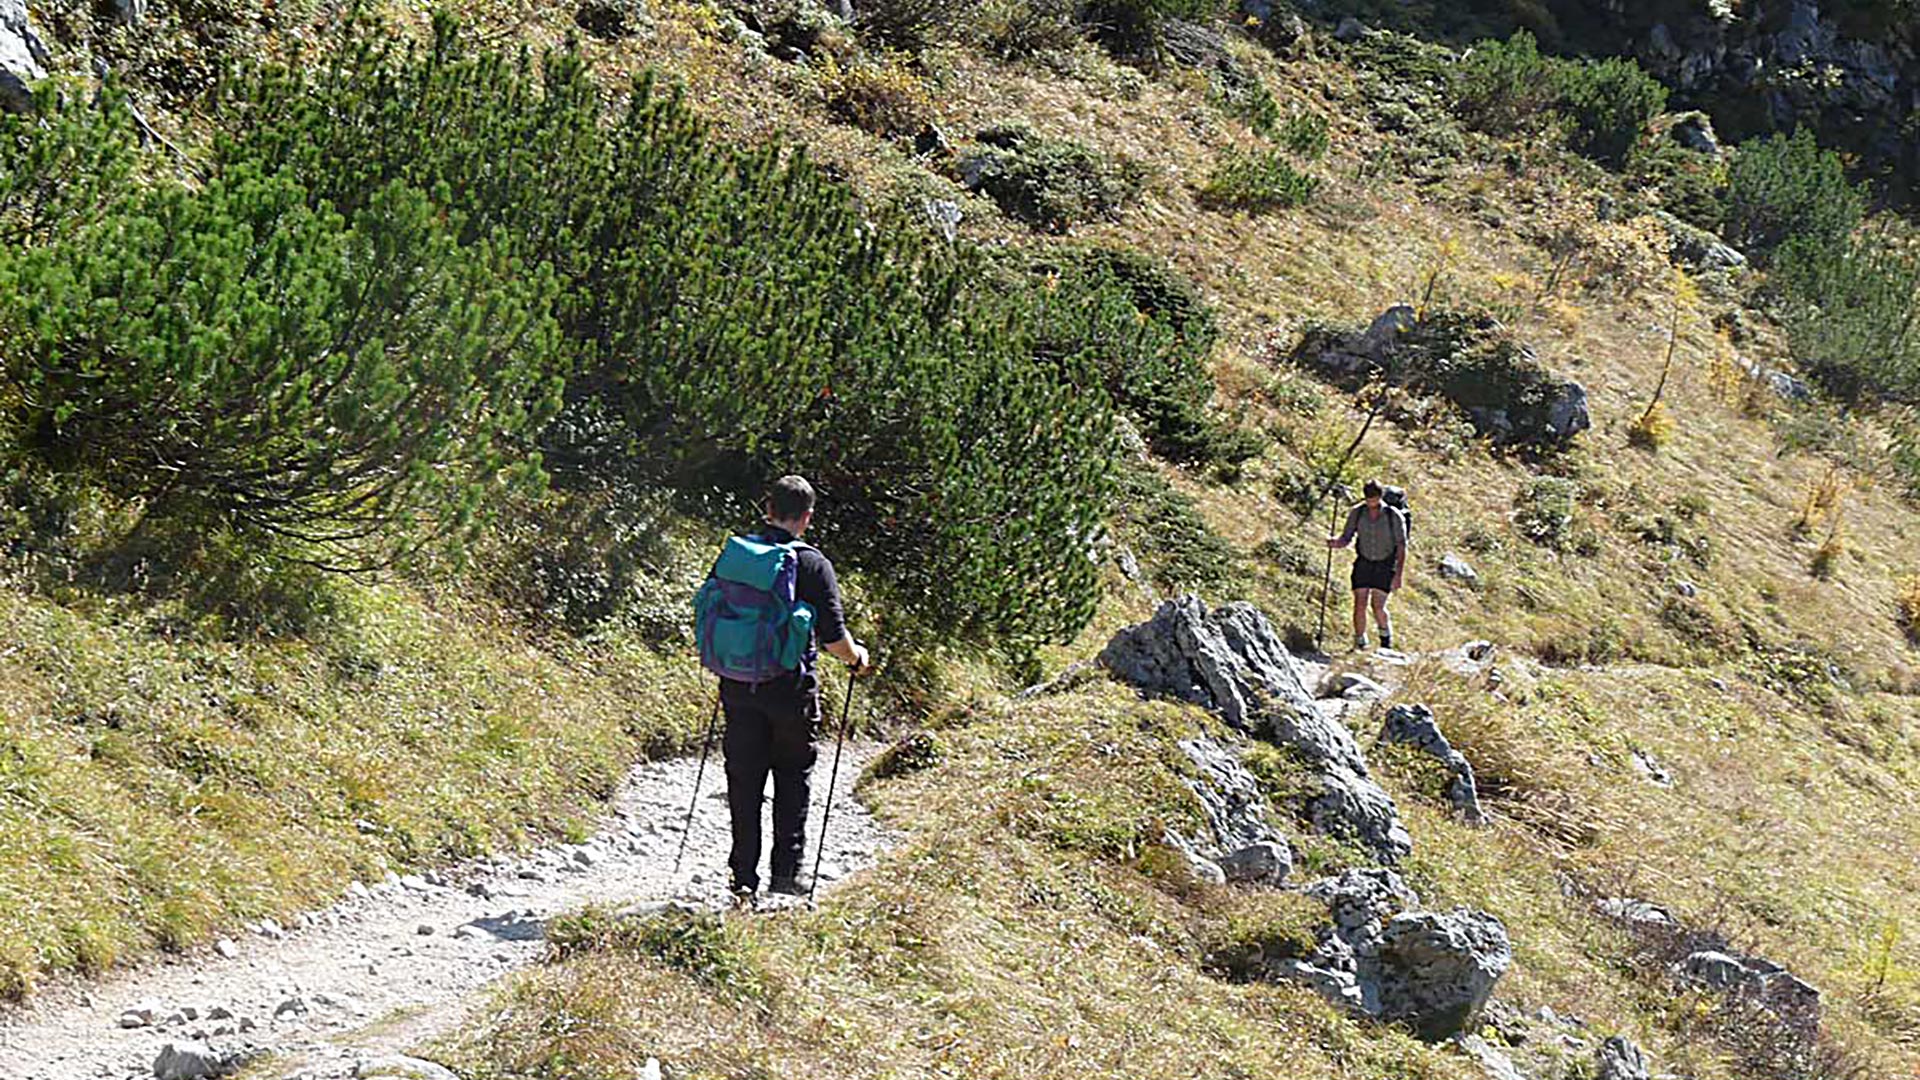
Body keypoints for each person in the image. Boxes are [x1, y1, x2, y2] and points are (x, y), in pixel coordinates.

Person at [719, 475, 873, 899]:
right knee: (792, 776)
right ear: (806, 517)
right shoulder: (811, 563)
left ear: (768, 509)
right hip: (789, 690)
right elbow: (833, 639)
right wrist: (857, 658)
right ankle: (785, 877)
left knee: (744, 780)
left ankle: (741, 879)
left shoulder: (740, 552)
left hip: (736, 684)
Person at [1327, 479, 1407, 651]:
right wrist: (1335, 542)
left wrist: (1398, 575)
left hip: (1385, 564)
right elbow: (1346, 538)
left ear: (1380, 496)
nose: (1370, 502)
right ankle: (1360, 642)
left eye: (1374, 499)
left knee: (1378, 606)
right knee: (1359, 603)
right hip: (1363, 561)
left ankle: (1385, 639)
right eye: (1368, 498)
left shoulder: (1393, 515)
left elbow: (1401, 545)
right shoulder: (1357, 512)